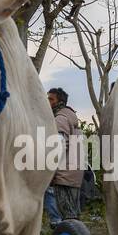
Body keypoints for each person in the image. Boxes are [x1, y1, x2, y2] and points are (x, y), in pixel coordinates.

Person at [45, 87, 83, 223]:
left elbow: (59, 147)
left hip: (64, 175)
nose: (47, 101)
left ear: (60, 102)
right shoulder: (71, 117)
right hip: (75, 173)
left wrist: (51, 172)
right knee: (73, 215)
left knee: (67, 216)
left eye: (51, 99)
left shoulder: (60, 119)